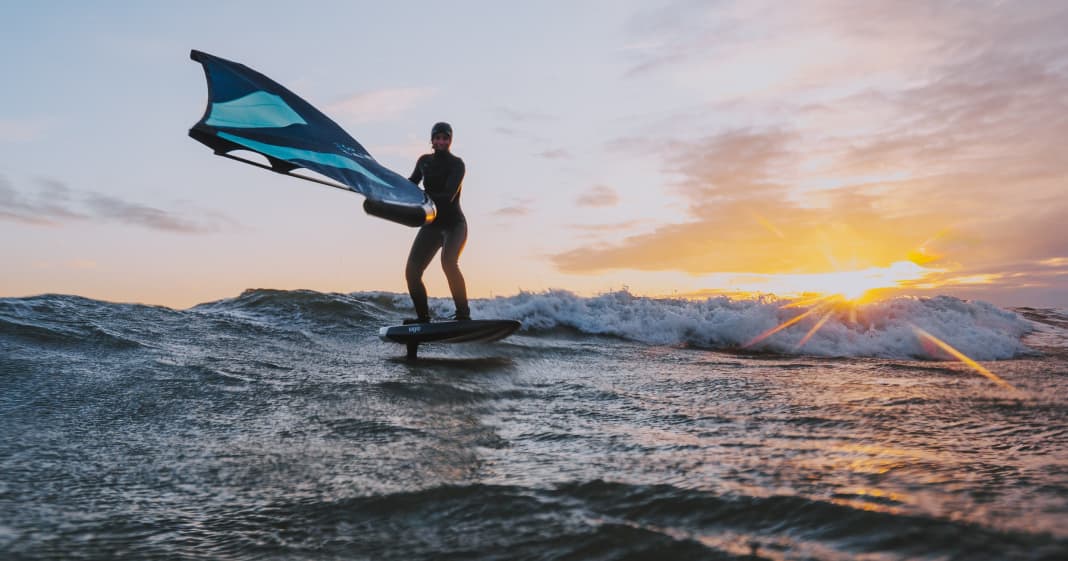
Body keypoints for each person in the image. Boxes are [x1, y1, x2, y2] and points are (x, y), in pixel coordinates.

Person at [404, 122, 469, 323]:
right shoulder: (424, 161)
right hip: (432, 225)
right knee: (412, 271)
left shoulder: (457, 164)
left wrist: (422, 194)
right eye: (437, 138)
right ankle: (423, 318)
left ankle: (463, 315)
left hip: (454, 224)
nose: (441, 141)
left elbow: (447, 195)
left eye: (445, 138)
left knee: (448, 263)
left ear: (450, 141)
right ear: (431, 140)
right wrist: (382, 189)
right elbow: (409, 185)